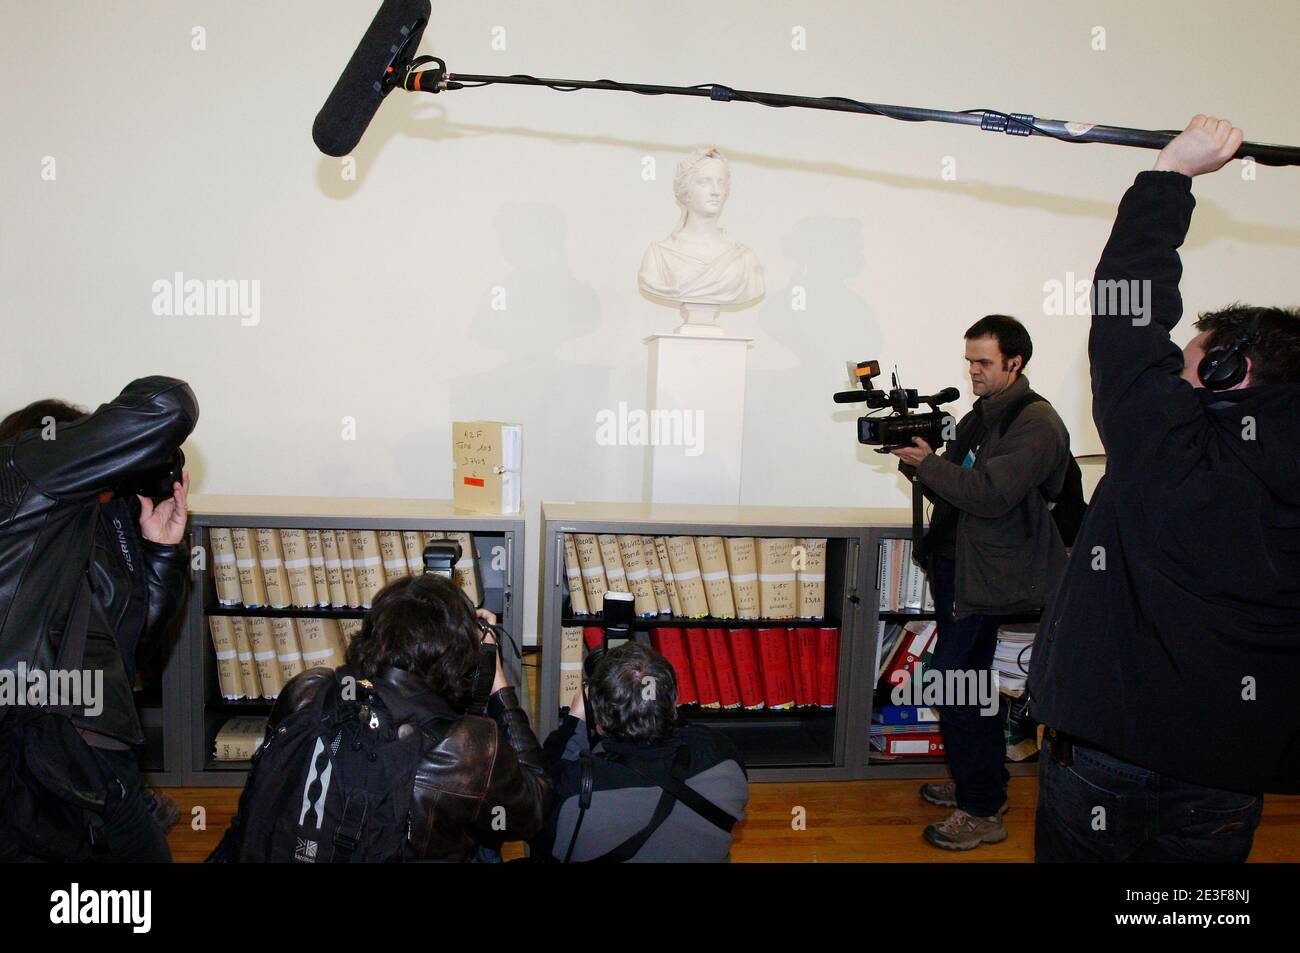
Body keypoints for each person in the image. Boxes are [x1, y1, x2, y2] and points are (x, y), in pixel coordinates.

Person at [1028, 115, 1300, 862]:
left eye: (1187, 363)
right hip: (1232, 777)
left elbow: (1125, 316)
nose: (1174, 376)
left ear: (1227, 372)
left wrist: (1170, 175)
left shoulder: (1174, 452)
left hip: (1116, 763)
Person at [216, 572, 549, 862]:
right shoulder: (470, 748)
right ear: (459, 655)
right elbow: (535, 809)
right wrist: (498, 688)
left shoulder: (308, 691)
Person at [892, 315, 1072, 850]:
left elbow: (992, 493)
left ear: (1015, 362)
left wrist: (931, 465)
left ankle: (982, 809)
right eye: (969, 360)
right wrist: (915, 459)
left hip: (991, 577)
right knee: (964, 684)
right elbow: (956, 481)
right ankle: (981, 782)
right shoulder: (982, 416)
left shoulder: (1036, 422)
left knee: (956, 685)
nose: (972, 371)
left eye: (983, 362)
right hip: (962, 571)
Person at [0, 377, 198, 862]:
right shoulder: (19, 474)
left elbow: (136, 655)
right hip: (40, 739)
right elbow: (167, 404)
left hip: (85, 749)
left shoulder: (93, 527)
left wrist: (160, 551)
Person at [533, 641, 749, 862]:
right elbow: (687, 732)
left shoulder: (573, 785)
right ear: (674, 703)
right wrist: (656, 706)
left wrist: (574, 720)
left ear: (599, 722)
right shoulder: (722, 754)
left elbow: (543, 784)